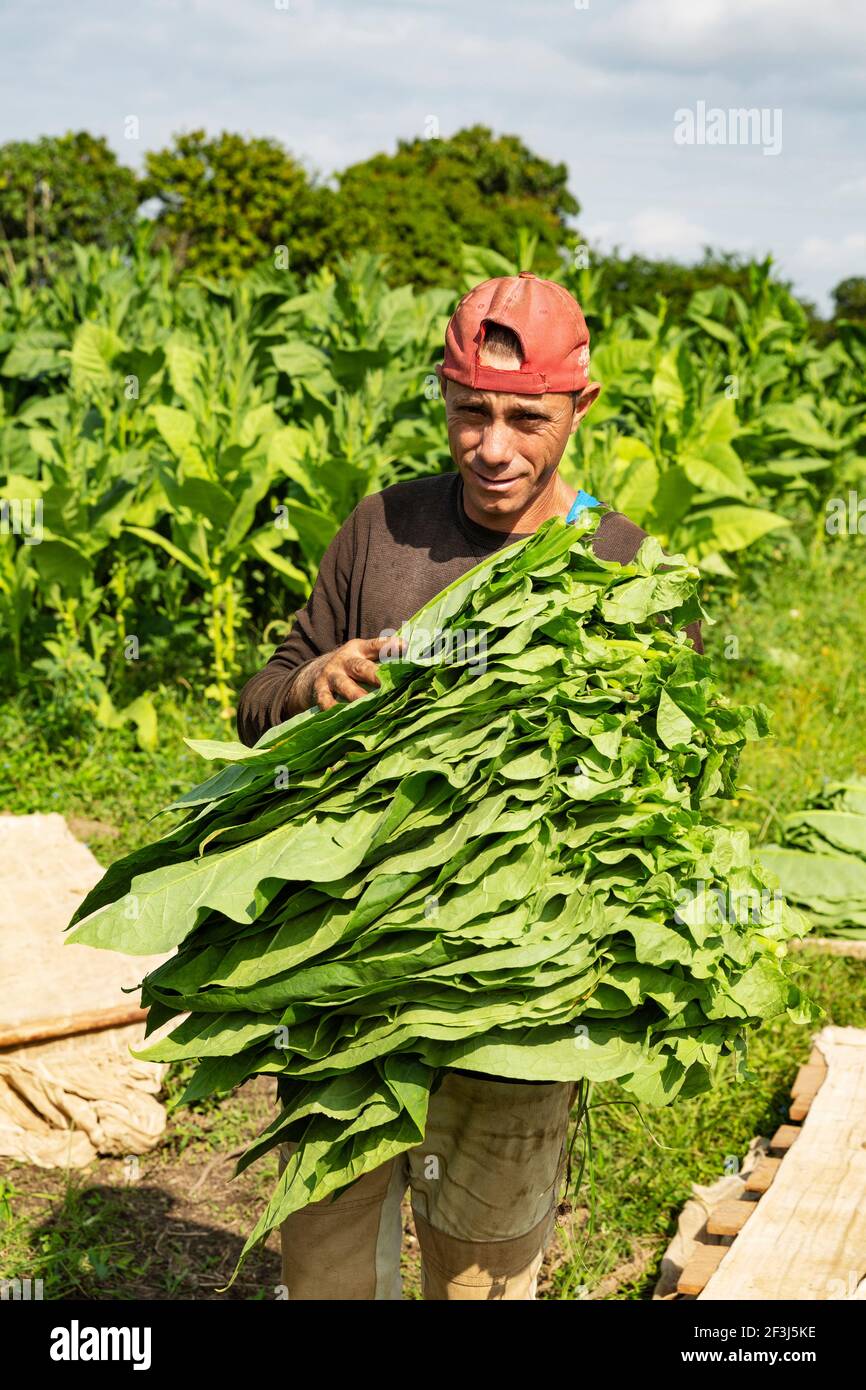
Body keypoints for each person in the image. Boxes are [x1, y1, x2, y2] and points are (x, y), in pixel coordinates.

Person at [236, 272, 702, 1300]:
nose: (492, 446)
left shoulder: (623, 569)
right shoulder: (382, 530)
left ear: (577, 410)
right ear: (442, 402)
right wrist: (312, 682)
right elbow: (262, 695)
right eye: (468, 413)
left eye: (524, 418)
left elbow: (666, 804)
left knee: (482, 1280)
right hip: (344, 977)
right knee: (325, 1268)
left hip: (511, 1005)